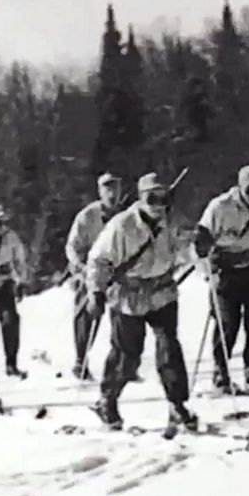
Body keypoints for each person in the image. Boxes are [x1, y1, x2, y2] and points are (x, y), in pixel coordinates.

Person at [84, 172, 197, 433]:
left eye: (163, 197)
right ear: (141, 197)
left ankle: (177, 404)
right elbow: (99, 259)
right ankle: (107, 400)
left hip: (162, 291)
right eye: (151, 197)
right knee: (127, 355)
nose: (158, 204)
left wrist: (199, 247)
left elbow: (185, 251)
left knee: (169, 348)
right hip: (128, 295)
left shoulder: (174, 221)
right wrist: (96, 292)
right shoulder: (122, 225)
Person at [193, 165, 249, 393]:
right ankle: (220, 374)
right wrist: (207, 269)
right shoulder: (220, 206)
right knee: (227, 324)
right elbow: (201, 239)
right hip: (224, 270)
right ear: (240, 187)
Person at [66, 173, 127, 381]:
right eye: (107, 189)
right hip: (91, 271)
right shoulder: (87, 217)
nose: (112, 193)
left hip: (117, 271)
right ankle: (80, 361)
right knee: (87, 312)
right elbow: (72, 247)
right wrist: (82, 268)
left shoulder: (125, 215)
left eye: (115, 188)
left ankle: (123, 363)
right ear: (100, 191)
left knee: (125, 315)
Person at [0, 204, 30, 378]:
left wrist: (21, 281)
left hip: (4, 287)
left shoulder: (12, 237)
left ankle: (11, 364)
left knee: (11, 322)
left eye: (5, 222)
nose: (3, 226)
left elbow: (20, 261)